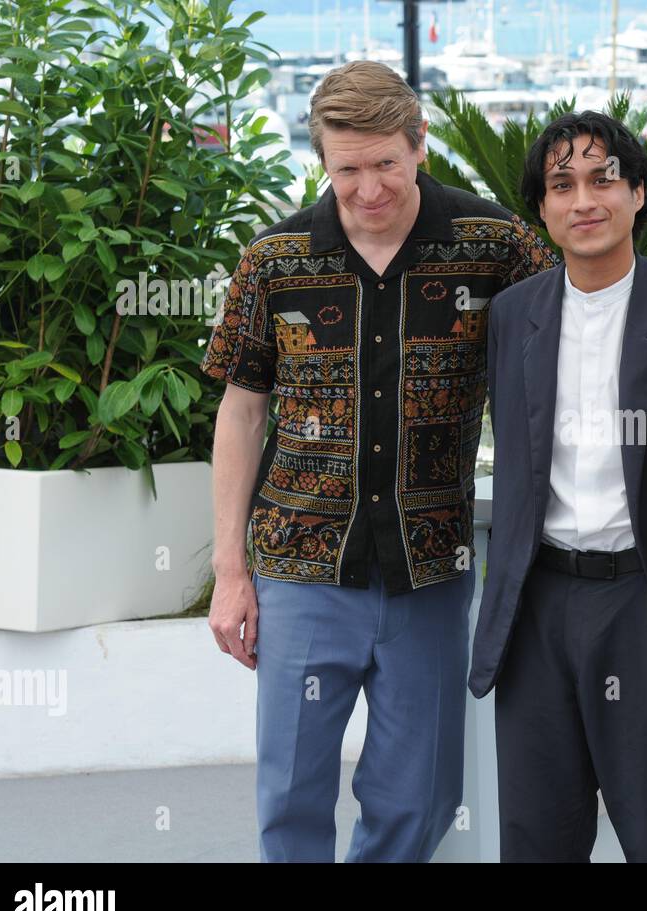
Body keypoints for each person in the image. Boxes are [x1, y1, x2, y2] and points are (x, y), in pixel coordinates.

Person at [202, 61, 558, 862]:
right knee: (290, 789)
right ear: (323, 162)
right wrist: (232, 569)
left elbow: (572, 343)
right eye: (347, 169)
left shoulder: (495, 245)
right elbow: (242, 409)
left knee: (424, 794)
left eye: (386, 164)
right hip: (300, 569)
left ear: (419, 143)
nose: (368, 188)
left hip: (429, 570)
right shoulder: (274, 260)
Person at [468, 111, 647, 862]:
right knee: (536, 836)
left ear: (639, 193)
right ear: (542, 208)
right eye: (562, 185)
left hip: (646, 607)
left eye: (603, 179)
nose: (583, 200)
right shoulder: (511, 316)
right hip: (537, 602)